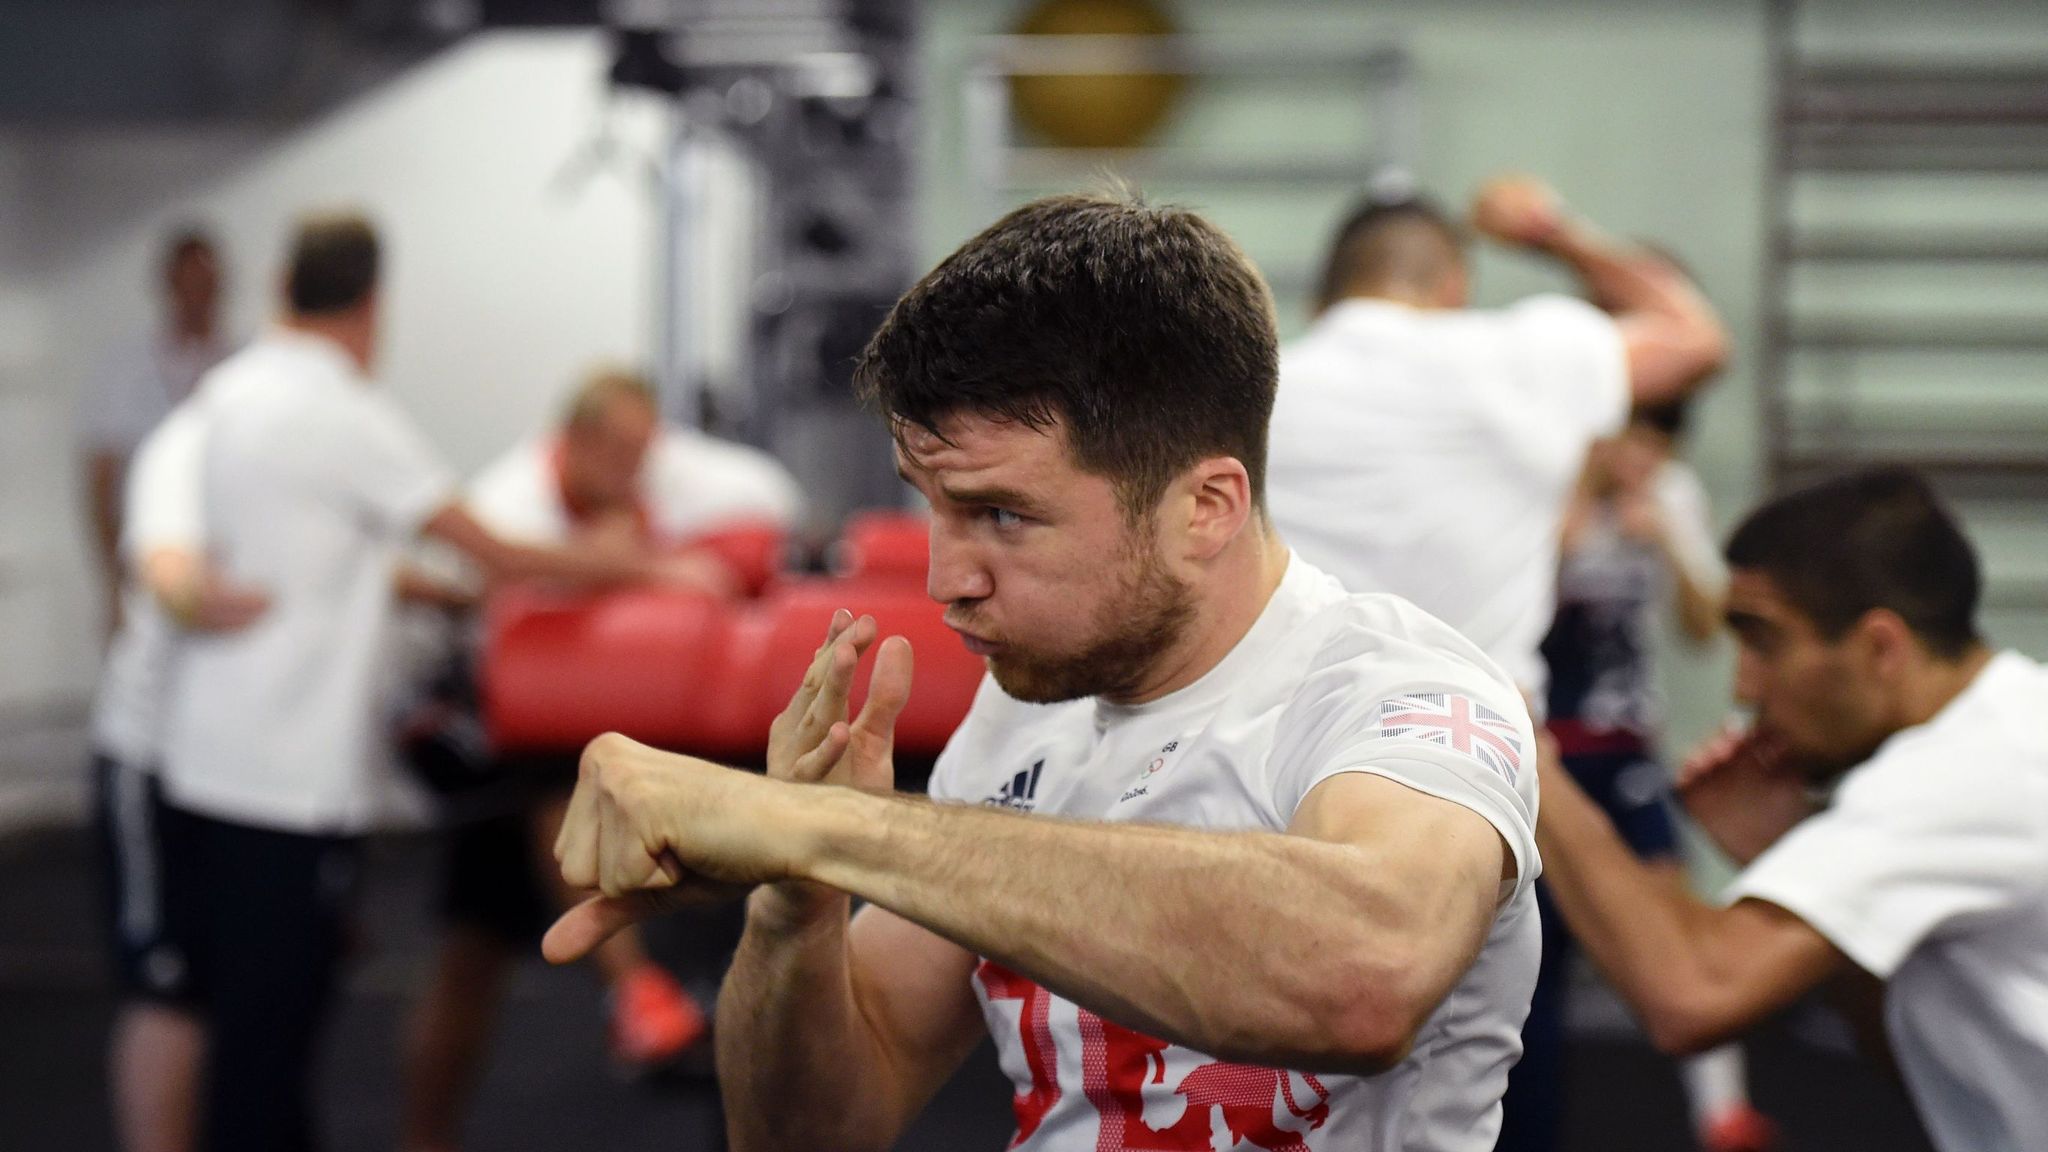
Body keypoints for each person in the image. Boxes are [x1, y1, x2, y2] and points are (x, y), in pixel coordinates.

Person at [541, 192, 1546, 1150]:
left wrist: (827, 830)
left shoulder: (1400, 693)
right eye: (932, 506)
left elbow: (1364, 974)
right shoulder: (1022, 715)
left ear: (1204, 509)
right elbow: (810, 1134)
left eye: (1001, 514)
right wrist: (794, 900)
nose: (945, 580)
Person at [153, 210, 688, 1152]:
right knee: (274, 1038)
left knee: (254, 1023)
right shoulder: (347, 414)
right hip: (303, 776)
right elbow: (494, 553)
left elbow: (333, 553)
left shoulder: (225, 394)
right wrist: (645, 571)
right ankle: (632, 989)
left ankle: (620, 995)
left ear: (280, 286)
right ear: (373, 306)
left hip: (209, 766)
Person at [1534, 467, 2048, 1152]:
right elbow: (1933, 1067)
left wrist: (1525, 757)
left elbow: (1691, 994)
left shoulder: (1962, 772)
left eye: (1764, 642)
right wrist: (1793, 853)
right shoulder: (2011, 729)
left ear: (1881, 648)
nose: (1744, 687)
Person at [399, 368, 802, 1152]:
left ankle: (646, 1000)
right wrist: (624, 568)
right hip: (504, 758)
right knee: (471, 959)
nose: (632, 468)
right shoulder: (508, 501)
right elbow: (454, 576)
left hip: (629, 739)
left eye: (642, 451)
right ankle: (429, 1138)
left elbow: (771, 504)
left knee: (731, 939)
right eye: (616, 451)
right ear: (571, 441)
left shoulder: (671, 478)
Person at [1266, 175, 1729, 696]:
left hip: (1299, 721)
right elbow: (1696, 338)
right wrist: (1550, 232)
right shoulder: (1516, 361)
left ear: (1319, 301)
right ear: (1456, 286)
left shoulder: (1257, 393)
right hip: (1478, 729)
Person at [1512, 398, 1775, 1152]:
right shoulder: (1541, 489)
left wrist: (1668, 543)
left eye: (1659, 451)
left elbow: (1703, 626)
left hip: (1627, 746)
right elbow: (1498, 615)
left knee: (1675, 920)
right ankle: (1525, 1128)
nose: (1645, 465)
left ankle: (1723, 1113)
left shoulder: (1670, 495)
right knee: (1531, 950)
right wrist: (1561, 541)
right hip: (1546, 746)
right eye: (1635, 446)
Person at [90, 399, 267, 1152]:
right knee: (167, 987)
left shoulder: (292, 461)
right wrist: (205, 596)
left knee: (248, 985)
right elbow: (166, 569)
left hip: (243, 776)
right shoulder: (187, 446)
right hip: (152, 761)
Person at [80, 228, 232, 638]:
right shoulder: (125, 369)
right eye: (189, 283)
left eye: (207, 284)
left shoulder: (241, 364)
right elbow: (101, 481)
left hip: (226, 562)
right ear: (168, 285)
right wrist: (113, 582)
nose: (199, 296)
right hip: (149, 560)